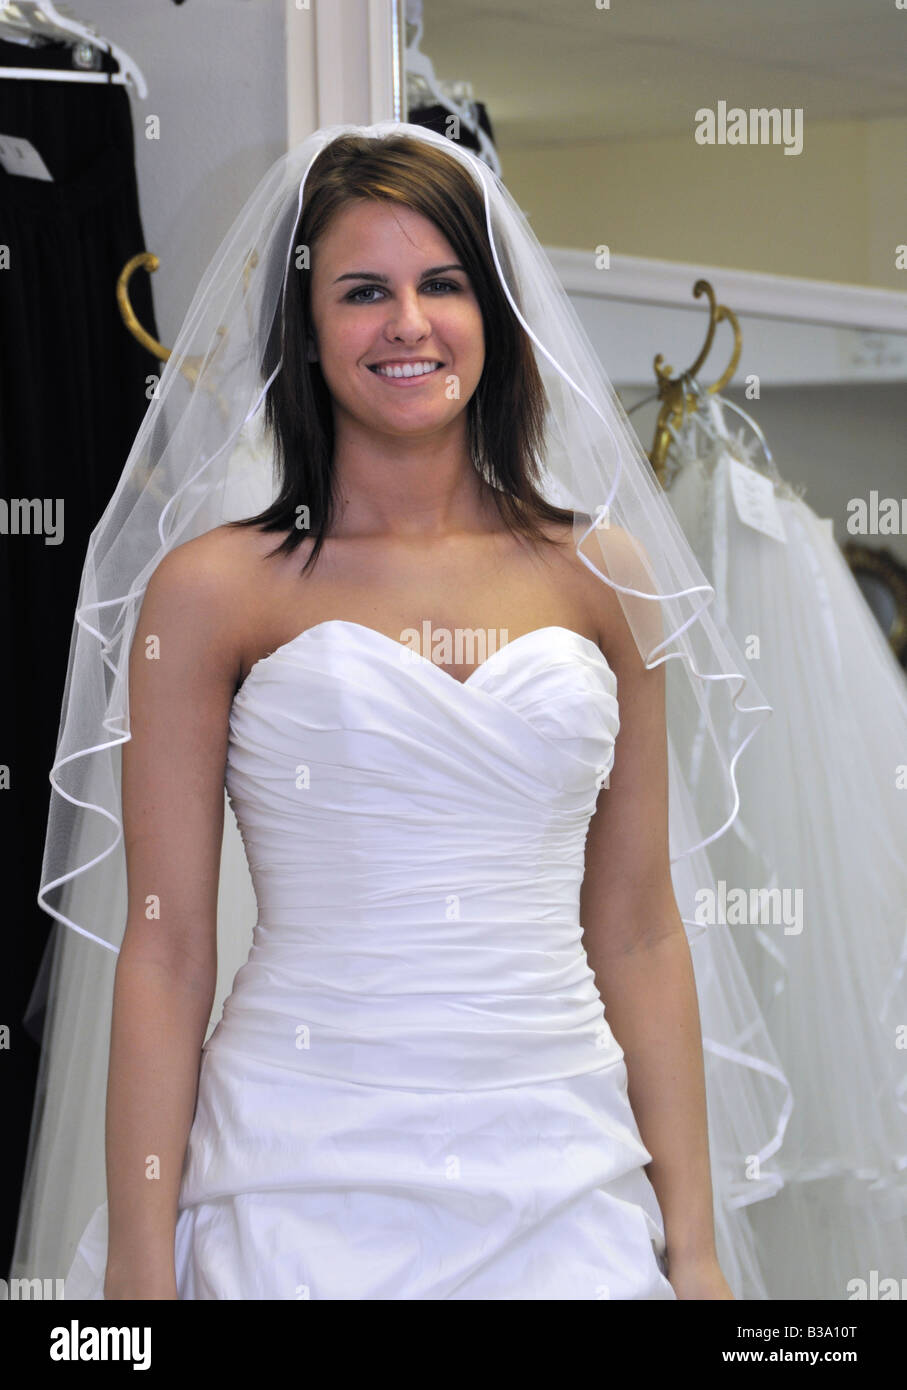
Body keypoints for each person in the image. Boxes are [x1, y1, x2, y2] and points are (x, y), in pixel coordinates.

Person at [28, 124, 783, 1300]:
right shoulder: (212, 590)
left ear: (496, 313)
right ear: (307, 326)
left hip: (561, 1170)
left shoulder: (606, 576)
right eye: (363, 291)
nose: (409, 325)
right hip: (293, 1169)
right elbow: (169, 950)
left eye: (443, 285)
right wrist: (137, 1271)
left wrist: (693, 1253)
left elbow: (636, 929)